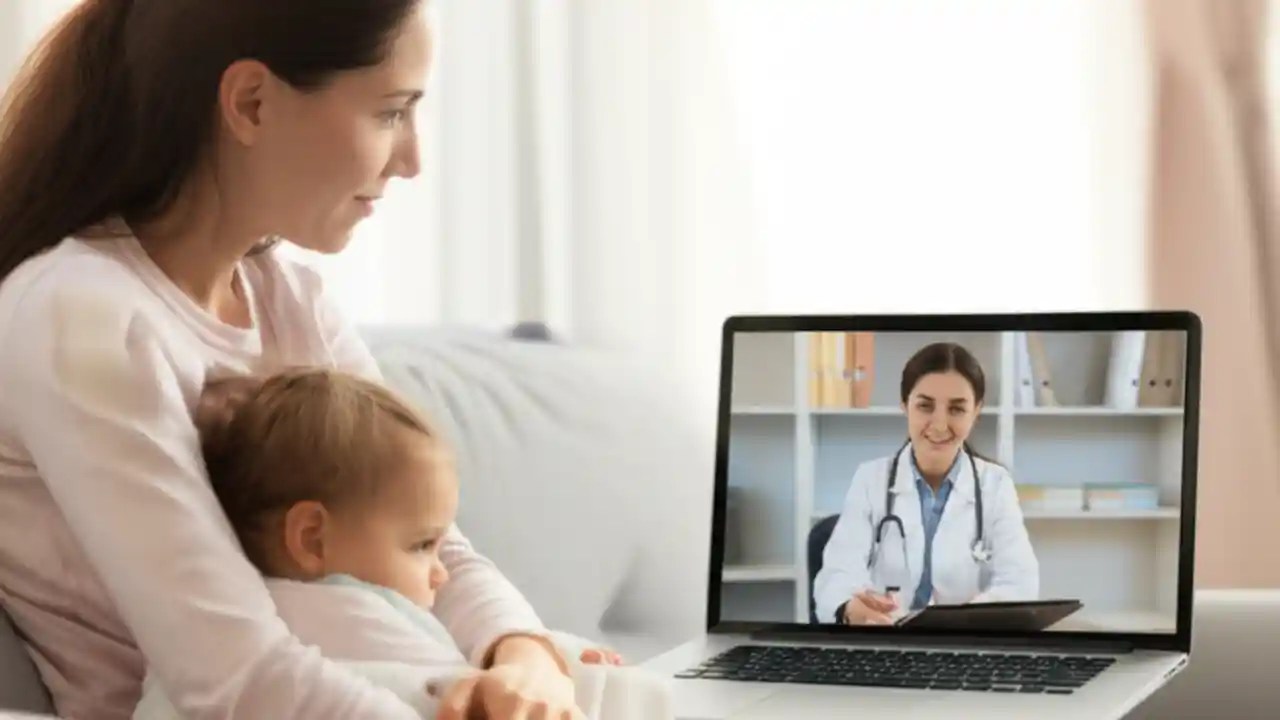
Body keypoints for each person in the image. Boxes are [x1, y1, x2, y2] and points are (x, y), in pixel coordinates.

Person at [0, 1, 613, 717]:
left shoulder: (289, 298)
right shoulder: (82, 314)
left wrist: (523, 656)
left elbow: (430, 544)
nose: (413, 159)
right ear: (252, 103)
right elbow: (232, 681)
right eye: (390, 113)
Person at [133, 368, 623, 719]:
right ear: (312, 538)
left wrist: (555, 652)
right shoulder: (337, 611)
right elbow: (461, 691)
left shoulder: (252, 606)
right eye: (421, 545)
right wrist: (578, 671)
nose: (441, 572)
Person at [812, 342, 1039, 626]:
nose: (940, 424)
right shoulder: (870, 479)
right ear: (905, 405)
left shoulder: (996, 485)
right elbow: (837, 574)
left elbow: (1020, 583)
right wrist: (850, 608)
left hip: (964, 646)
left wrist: (966, 619)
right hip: (884, 643)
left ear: (976, 411)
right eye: (925, 406)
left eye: (957, 409)